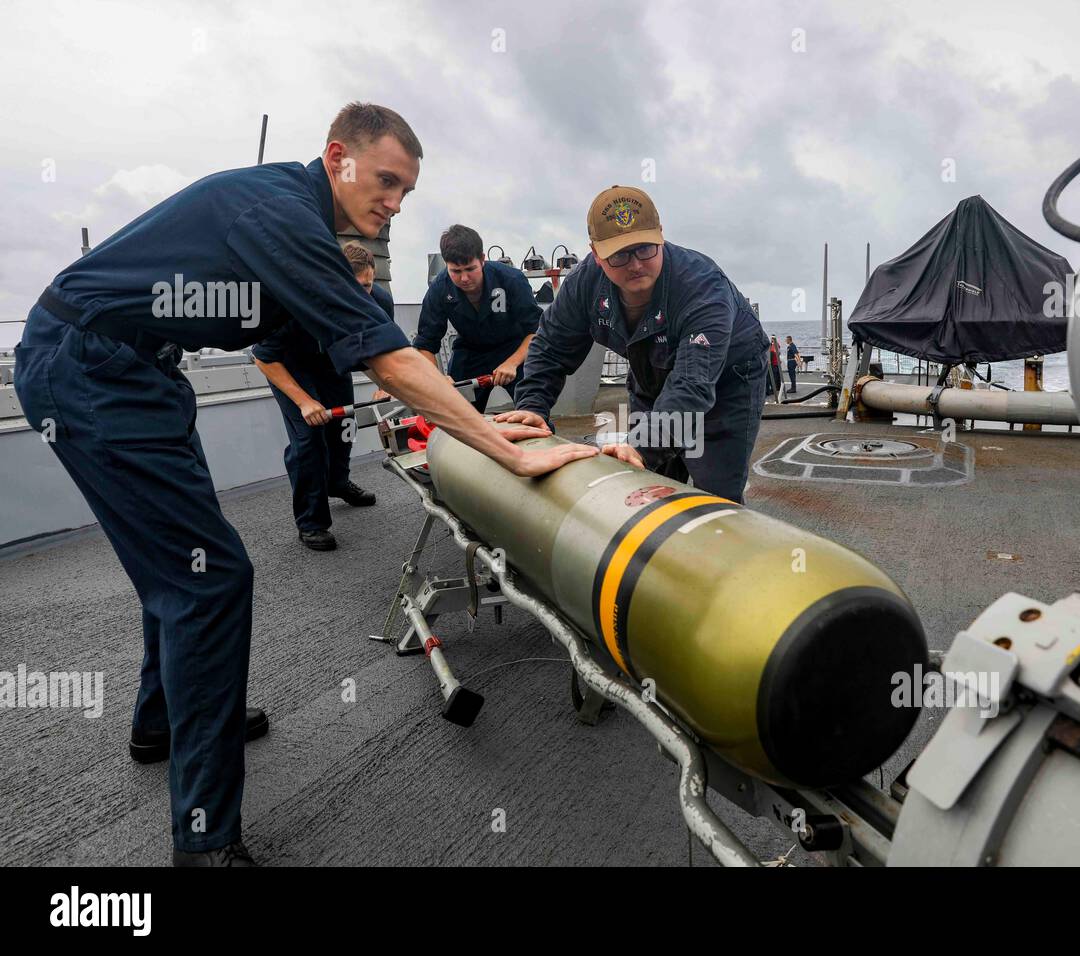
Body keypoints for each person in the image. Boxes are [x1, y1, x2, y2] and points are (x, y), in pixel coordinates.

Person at [12, 103, 594, 867]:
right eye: (385, 180)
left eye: (406, 193)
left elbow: (356, 344)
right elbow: (389, 360)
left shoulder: (293, 224)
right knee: (210, 581)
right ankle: (205, 840)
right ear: (337, 157)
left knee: (181, 568)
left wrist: (482, 422)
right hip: (88, 367)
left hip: (143, 373)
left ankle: (164, 720)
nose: (393, 202)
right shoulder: (279, 213)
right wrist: (503, 451)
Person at [502, 185, 768, 503]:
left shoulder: (701, 287)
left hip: (726, 380)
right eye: (620, 254)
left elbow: (692, 384)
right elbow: (550, 348)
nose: (635, 264)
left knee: (715, 491)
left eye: (644, 248)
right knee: (648, 489)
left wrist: (641, 446)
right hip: (651, 372)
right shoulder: (584, 284)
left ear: (661, 235)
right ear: (596, 254)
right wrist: (531, 406)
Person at [251, 242, 391, 551]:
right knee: (309, 438)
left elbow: (380, 351)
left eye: (367, 287)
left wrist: (386, 383)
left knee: (343, 426)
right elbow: (263, 358)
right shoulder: (292, 301)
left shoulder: (378, 300)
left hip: (331, 361)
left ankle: (337, 482)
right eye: (354, 288)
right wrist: (304, 401)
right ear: (335, 279)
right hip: (289, 366)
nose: (361, 296)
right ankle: (311, 523)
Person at [412, 224, 541, 413]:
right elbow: (426, 343)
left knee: (534, 409)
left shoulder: (511, 279)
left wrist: (512, 363)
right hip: (470, 353)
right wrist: (438, 379)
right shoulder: (439, 289)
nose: (464, 278)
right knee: (457, 415)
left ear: (482, 259)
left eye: (470, 269)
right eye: (456, 271)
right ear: (446, 265)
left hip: (514, 349)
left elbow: (536, 330)